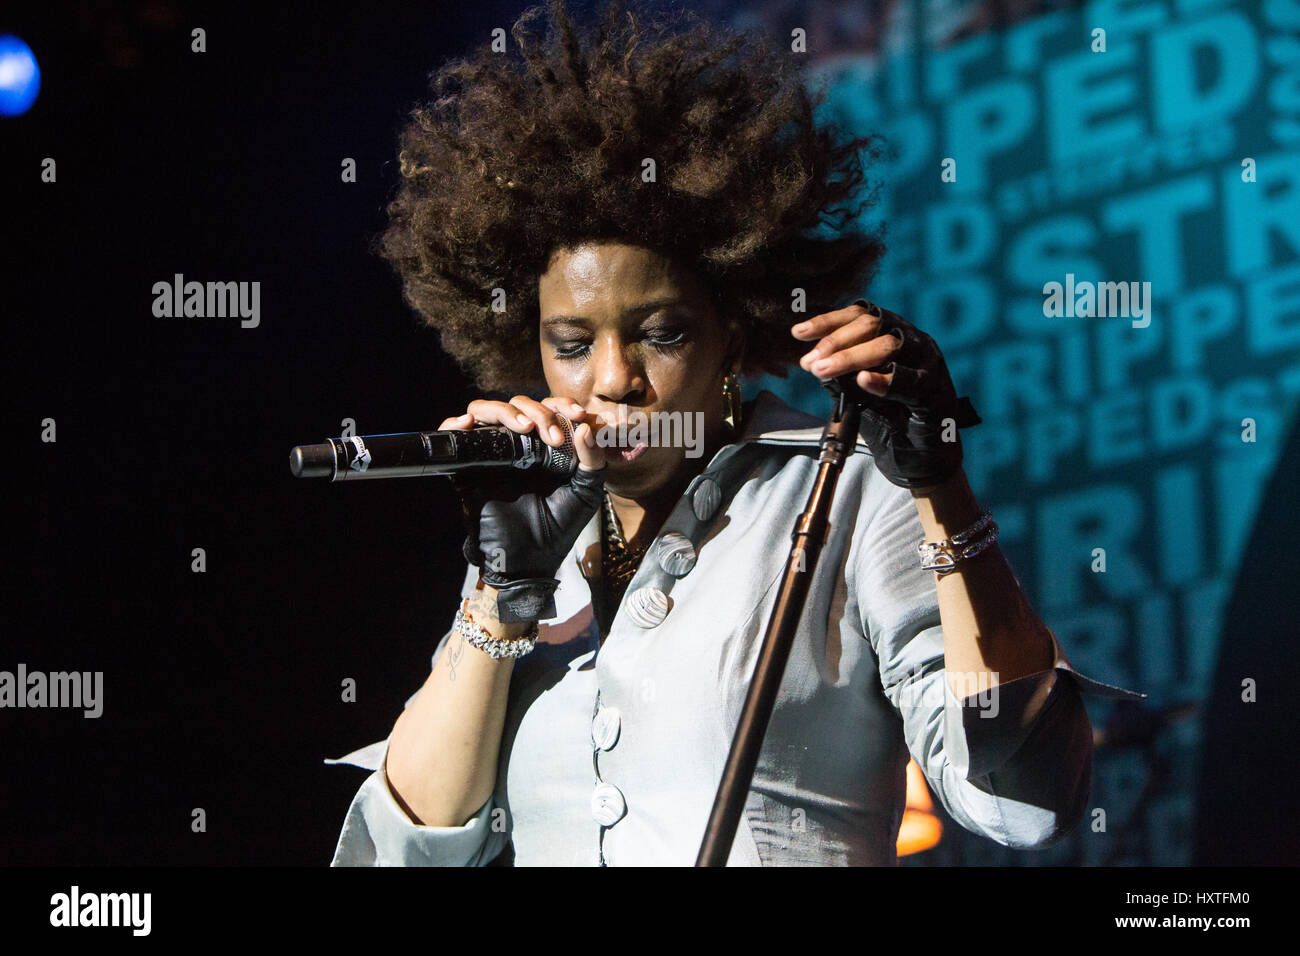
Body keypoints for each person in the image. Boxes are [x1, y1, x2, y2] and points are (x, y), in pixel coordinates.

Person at [326, 0, 1140, 866]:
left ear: (734, 336)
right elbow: (410, 847)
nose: (612, 380)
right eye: (571, 344)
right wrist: (498, 592)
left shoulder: (848, 490)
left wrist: (940, 487)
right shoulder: (534, 530)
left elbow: (1027, 799)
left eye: (662, 333)